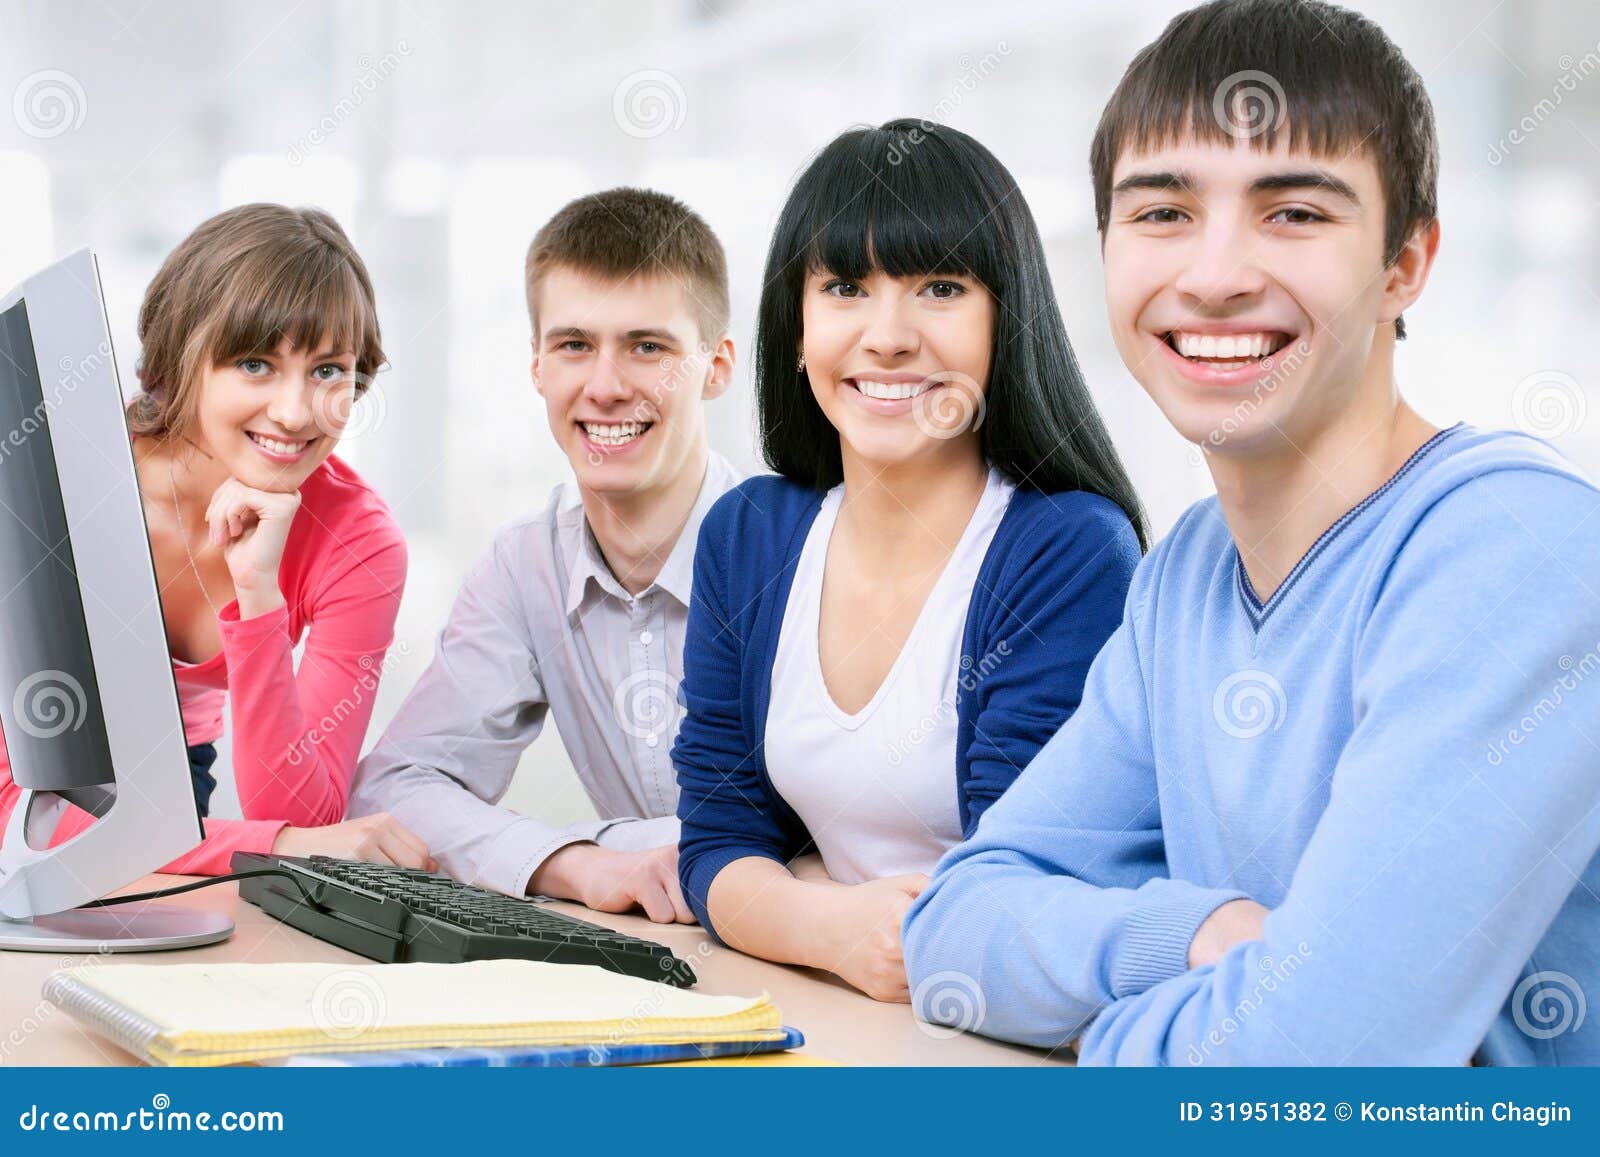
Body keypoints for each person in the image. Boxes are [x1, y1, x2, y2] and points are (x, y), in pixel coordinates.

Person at [904, 0, 1600, 1066]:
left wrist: (1106, 1027)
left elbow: (1312, 1065)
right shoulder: (1184, 576)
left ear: (1406, 263)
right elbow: (954, 928)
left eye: (1295, 213)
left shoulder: (1516, 550)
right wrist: (1195, 934)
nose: (1214, 274)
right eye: (1161, 212)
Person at [672, 120, 1145, 1001]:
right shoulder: (747, 535)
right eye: (845, 287)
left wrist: (796, 885)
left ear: (1006, 318)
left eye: (940, 287)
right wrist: (833, 925)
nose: (887, 336)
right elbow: (714, 842)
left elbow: (1013, 898)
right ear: (797, 326)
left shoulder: (1068, 550)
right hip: (829, 1011)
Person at [0, 203, 429, 874]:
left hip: (170, 793)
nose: (294, 413)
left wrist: (259, 595)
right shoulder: (52, 474)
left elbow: (300, 819)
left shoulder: (359, 542)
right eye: (255, 364)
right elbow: (14, 810)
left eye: (327, 371)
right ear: (182, 360)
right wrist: (271, 846)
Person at [351, 189, 737, 923]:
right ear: (537, 366)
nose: (605, 387)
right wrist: (577, 863)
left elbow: (816, 841)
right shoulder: (524, 565)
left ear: (715, 367)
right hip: (664, 952)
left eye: (647, 347)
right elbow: (393, 791)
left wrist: (634, 847)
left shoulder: (796, 552)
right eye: (574, 346)